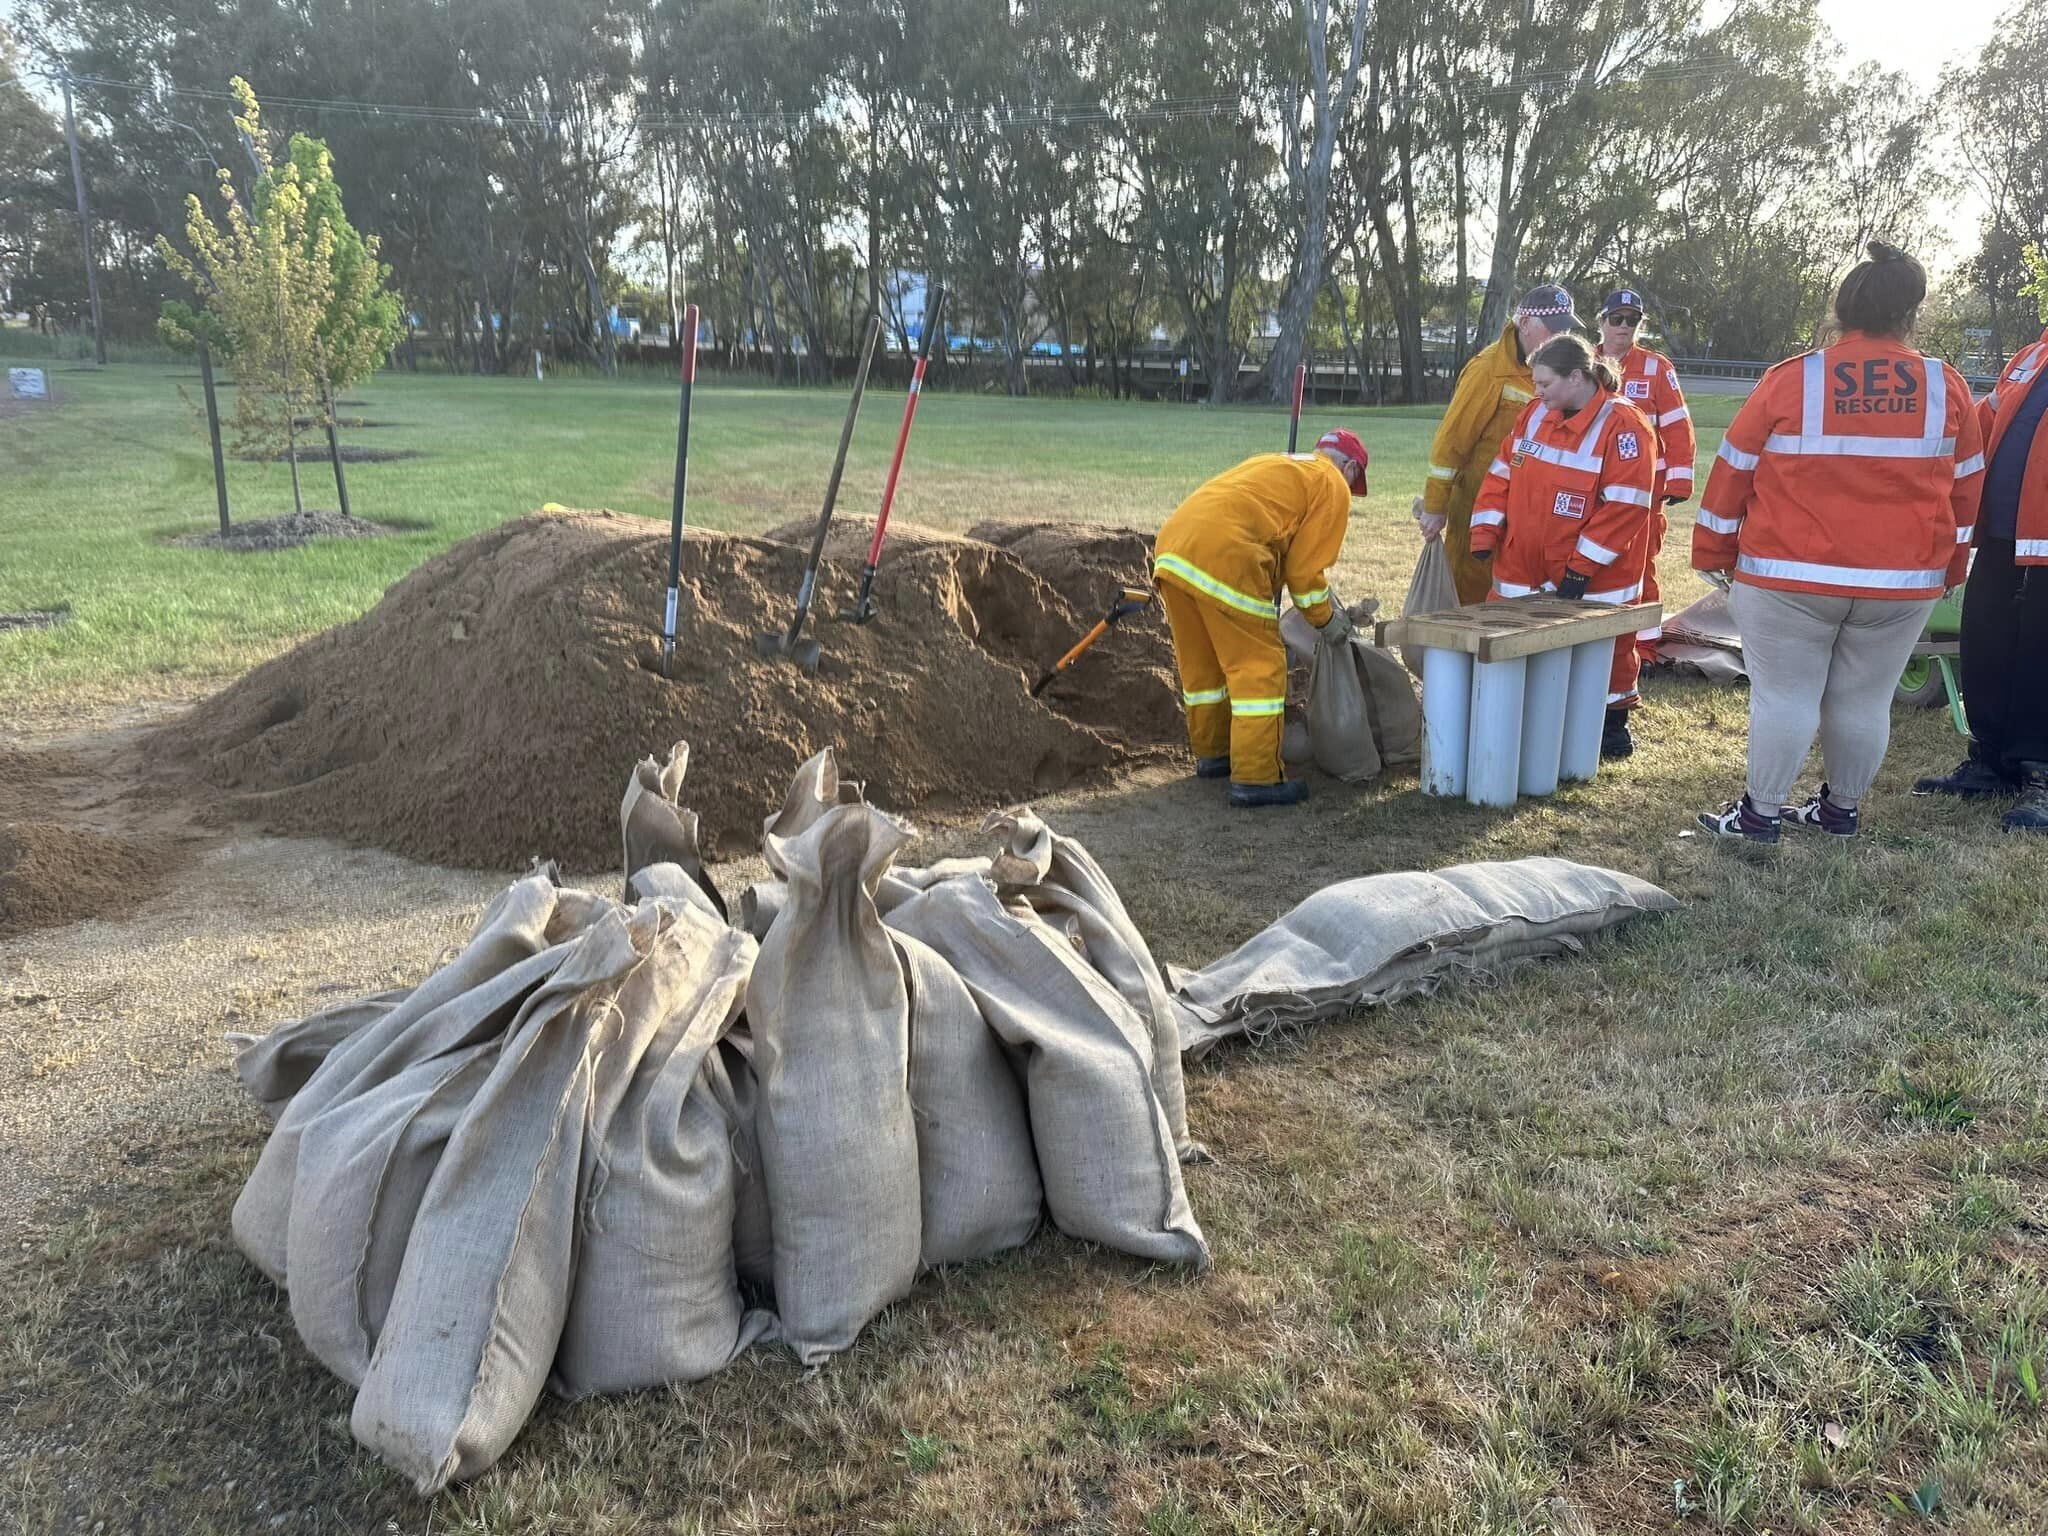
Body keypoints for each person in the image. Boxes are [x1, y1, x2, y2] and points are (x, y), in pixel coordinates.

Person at [1691, 241, 1985, 844]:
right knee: (1865, 701)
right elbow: (1966, 491)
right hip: (1901, 584)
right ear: (1912, 313)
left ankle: (1759, 817)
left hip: (1789, 576)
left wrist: (1714, 554)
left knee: (1786, 695)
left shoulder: (1792, 379)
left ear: (1842, 308)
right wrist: (1950, 566)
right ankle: (1839, 812)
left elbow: (1732, 474)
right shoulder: (1946, 387)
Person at [1154, 429, 1369, 807]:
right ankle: (1256, 778)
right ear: (1350, 466)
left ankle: (1215, 754)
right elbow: (1305, 575)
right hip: (1225, 557)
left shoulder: (1282, 464)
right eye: (1354, 481)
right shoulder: (1331, 481)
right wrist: (1326, 620)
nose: (1350, 491)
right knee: (1260, 666)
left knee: (1204, 670)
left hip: (1173, 549)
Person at [1466, 333, 1657, 757]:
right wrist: (1485, 530)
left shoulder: (1625, 427)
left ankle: (1610, 726)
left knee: (1605, 647)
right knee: (1509, 629)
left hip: (1598, 570)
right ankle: (1523, 715)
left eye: (1544, 384)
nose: (1537, 392)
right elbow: (1501, 474)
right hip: (1522, 560)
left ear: (1576, 377)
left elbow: (1625, 507)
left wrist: (1581, 567)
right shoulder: (1535, 414)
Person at [1912, 320, 2048, 830]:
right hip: (2003, 535)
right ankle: (1991, 760)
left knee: (2042, 658)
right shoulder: (2030, 356)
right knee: (1987, 644)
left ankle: (2042, 774)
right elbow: (1981, 422)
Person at [1416, 284, 1581, 606]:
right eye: (1554, 329)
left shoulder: (1558, 369)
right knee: (1472, 591)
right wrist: (1436, 508)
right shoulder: (1488, 370)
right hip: (1479, 504)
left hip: (1529, 509)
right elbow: (1452, 443)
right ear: (1526, 324)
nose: (1560, 338)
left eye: (1566, 329)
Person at [1595, 288, 1697, 661]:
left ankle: (1645, 646)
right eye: (1617, 319)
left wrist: (1680, 478)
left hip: (1644, 489)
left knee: (1641, 563)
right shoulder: (1583, 363)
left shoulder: (1658, 368)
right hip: (1592, 485)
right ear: (1602, 322)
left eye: (1633, 320)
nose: (1625, 327)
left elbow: (1676, 425)